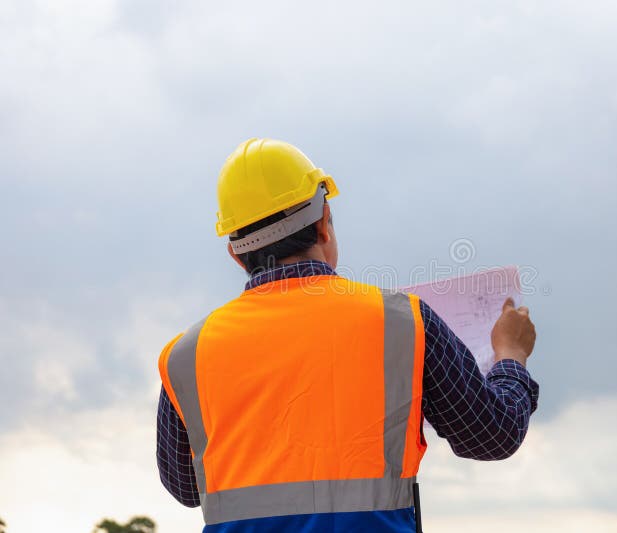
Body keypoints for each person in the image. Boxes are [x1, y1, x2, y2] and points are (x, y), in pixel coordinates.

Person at [156, 138, 539, 533]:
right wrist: (510, 355)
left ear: (235, 254)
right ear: (323, 224)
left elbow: (186, 486)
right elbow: (492, 435)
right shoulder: (403, 321)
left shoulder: (185, 356)